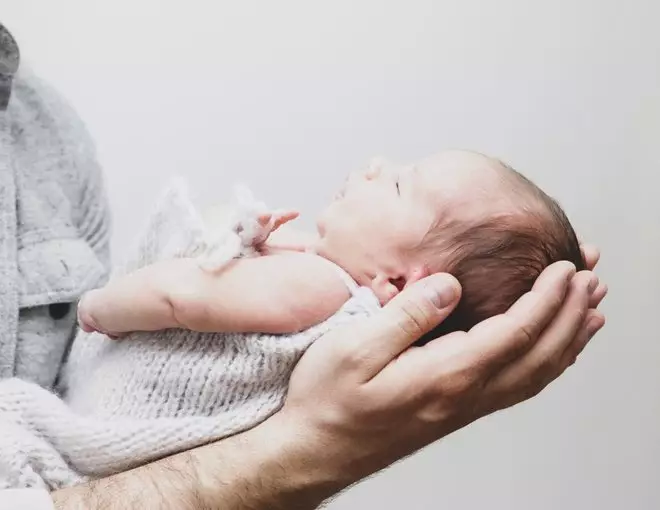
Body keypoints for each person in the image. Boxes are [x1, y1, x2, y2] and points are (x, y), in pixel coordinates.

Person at [0, 22, 607, 509]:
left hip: (77, 454)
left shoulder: (318, 288)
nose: (374, 166)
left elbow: (181, 299)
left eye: (397, 186)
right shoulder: (321, 293)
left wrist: (103, 307)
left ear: (399, 283)